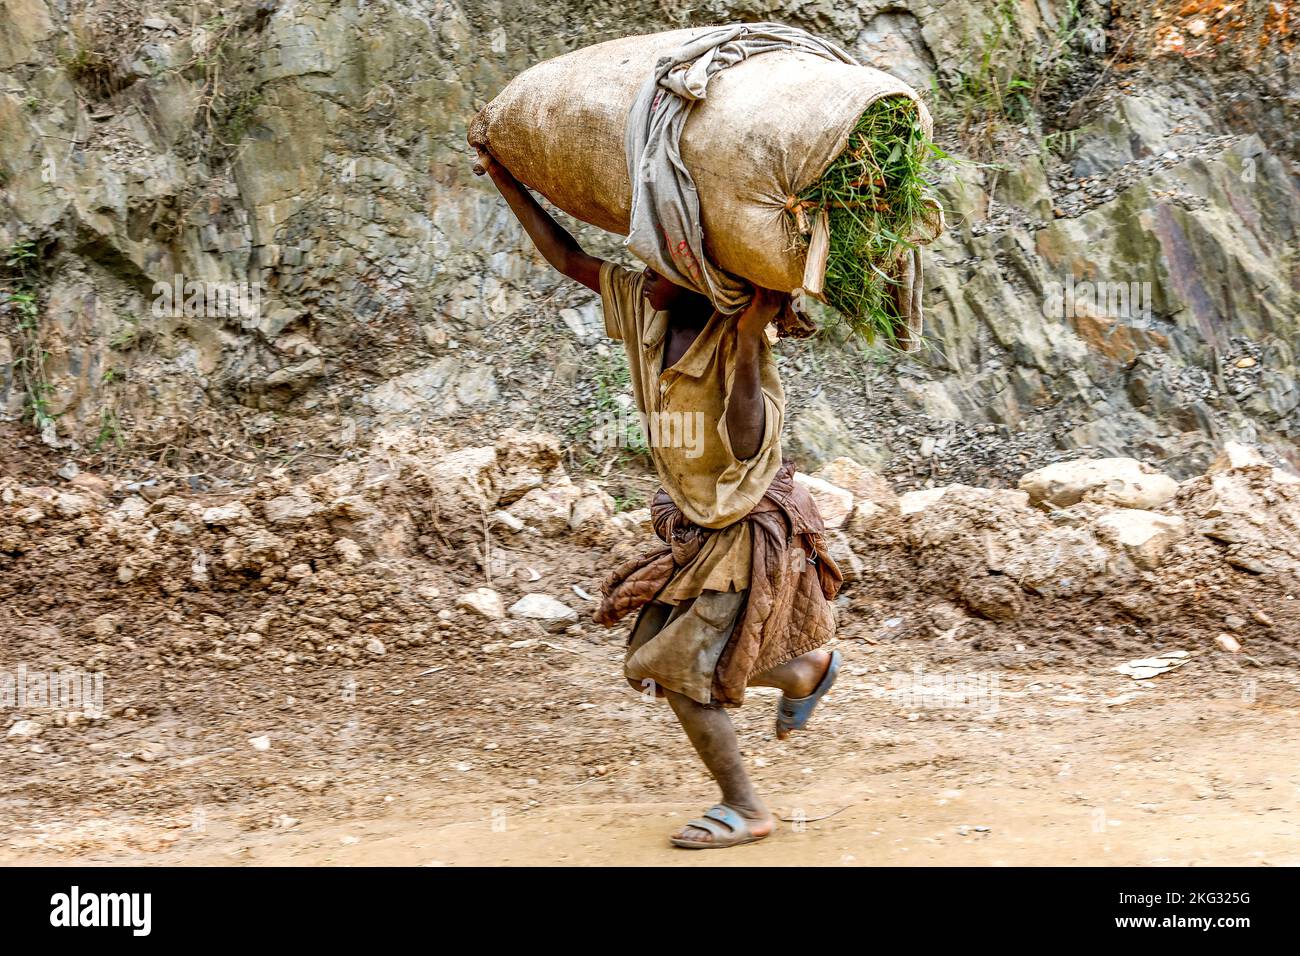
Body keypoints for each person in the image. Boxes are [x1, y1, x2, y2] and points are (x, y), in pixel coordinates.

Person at [474, 145, 842, 849]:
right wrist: (505, 178)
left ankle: (746, 807)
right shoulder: (648, 311)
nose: (642, 274)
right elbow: (569, 259)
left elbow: (744, 437)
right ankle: (804, 669)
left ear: (697, 277)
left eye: (659, 264)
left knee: (679, 672)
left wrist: (742, 342)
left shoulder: (738, 344)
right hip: (701, 527)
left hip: (743, 528)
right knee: (669, 646)